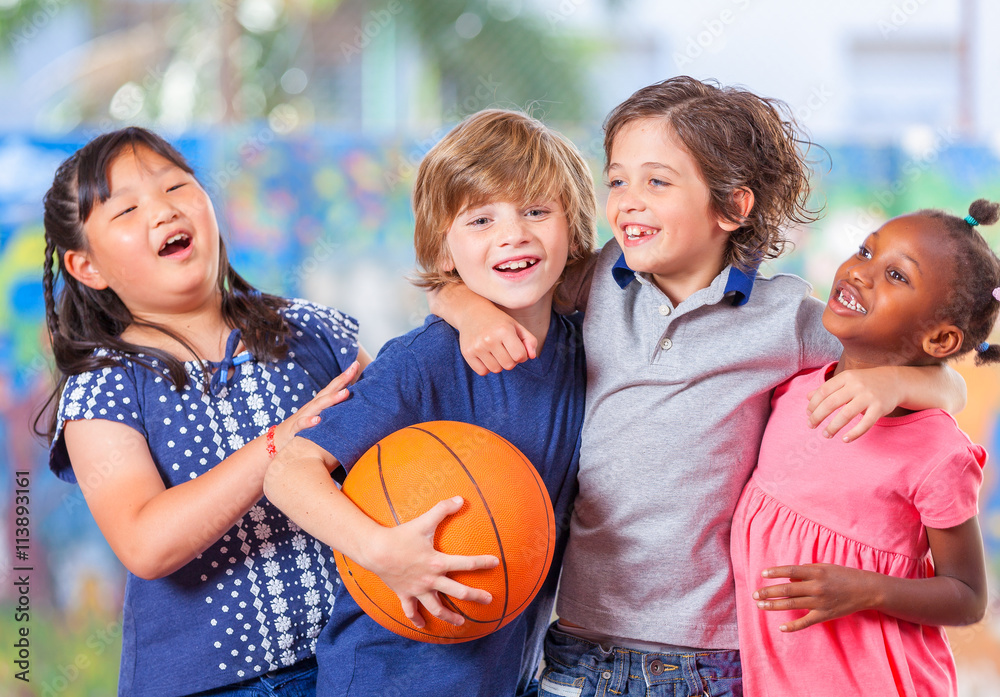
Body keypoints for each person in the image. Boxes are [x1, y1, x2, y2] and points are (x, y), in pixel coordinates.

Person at [430, 77, 967, 696]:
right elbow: (485, 279)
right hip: (579, 642)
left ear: (733, 208)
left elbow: (948, 388)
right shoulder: (599, 277)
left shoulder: (785, 318)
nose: (628, 200)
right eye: (618, 180)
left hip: (706, 661)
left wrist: (894, 380)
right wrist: (466, 309)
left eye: (657, 182)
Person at [262, 108, 597, 697]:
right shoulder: (426, 360)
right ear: (442, 249)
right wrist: (381, 551)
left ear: (573, 230)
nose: (513, 233)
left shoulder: (586, 347)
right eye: (480, 219)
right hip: (385, 675)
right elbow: (288, 473)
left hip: (502, 676)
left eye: (537, 211)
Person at [40, 127, 372, 697]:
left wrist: (459, 303)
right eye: (126, 210)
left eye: (176, 186)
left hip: (354, 662)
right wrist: (277, 444)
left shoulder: (314, 332)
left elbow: (410, 436)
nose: (164, 210)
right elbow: (145, 541)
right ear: (86, 266)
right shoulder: (105, 385)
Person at [731, 201, 996, 696]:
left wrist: (869, 589)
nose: (860, 272)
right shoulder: (794, 386)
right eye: (864, 250)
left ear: (940, 338)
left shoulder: (937, 452)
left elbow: (968, 596)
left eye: (895, 274)